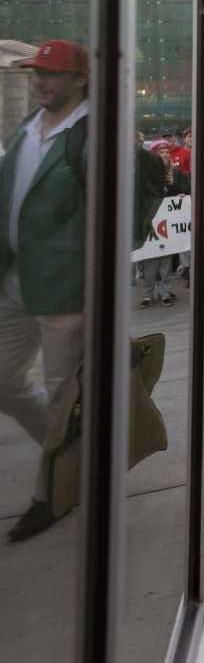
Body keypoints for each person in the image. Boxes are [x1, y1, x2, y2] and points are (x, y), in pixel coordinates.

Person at [0, 40, 90, 540]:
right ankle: (68, 454)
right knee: (5, 379)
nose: (40, 81)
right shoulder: (26, 131)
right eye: (37, 73)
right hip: (15, 280)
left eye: (52, 74)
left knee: (62, 393)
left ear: (80, 79)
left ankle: (51, 490)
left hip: (63, 289)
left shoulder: (90, 135)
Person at [141, 140, 191, 308]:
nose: (164, 155)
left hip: (168, 222)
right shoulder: (145, 173)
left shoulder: (176, 172)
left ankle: (165, 291)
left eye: (166, 152)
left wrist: (178, 192)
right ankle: (148, 293)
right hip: (151, 221)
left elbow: (185, 189)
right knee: (149, 260)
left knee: (166, 260)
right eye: (160, 153)